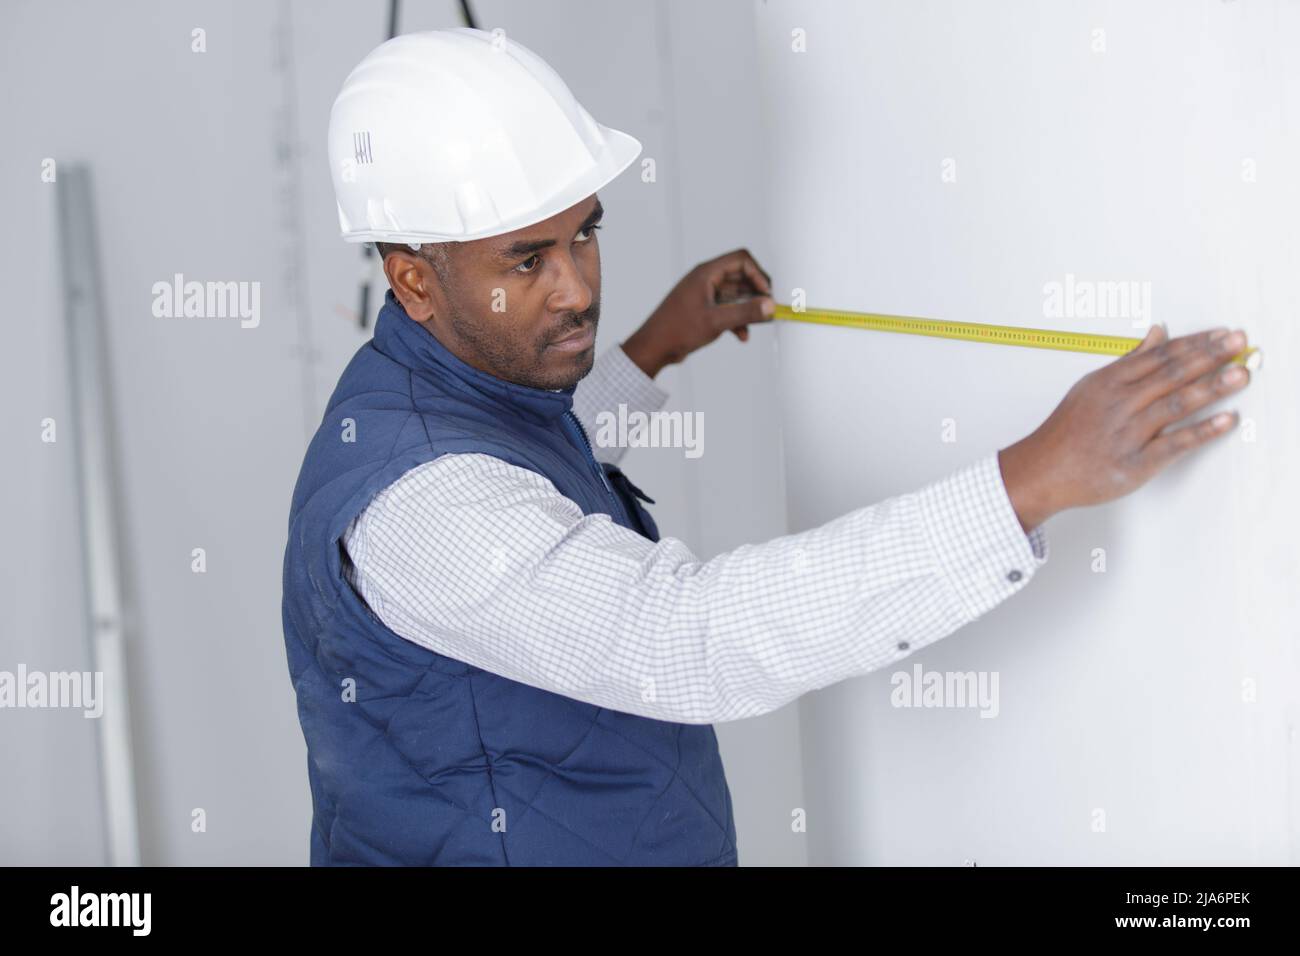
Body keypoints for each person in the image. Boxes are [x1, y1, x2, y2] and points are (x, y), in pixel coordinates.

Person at [280, 28, 1253, 866]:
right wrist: (1031, 479)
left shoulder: (456, 398)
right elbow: (685, 638)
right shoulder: (419, 508)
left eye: (586, 234)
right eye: (527, 261)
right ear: (412, 279)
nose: (576, 288)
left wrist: (661, 341)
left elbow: (537, 479)